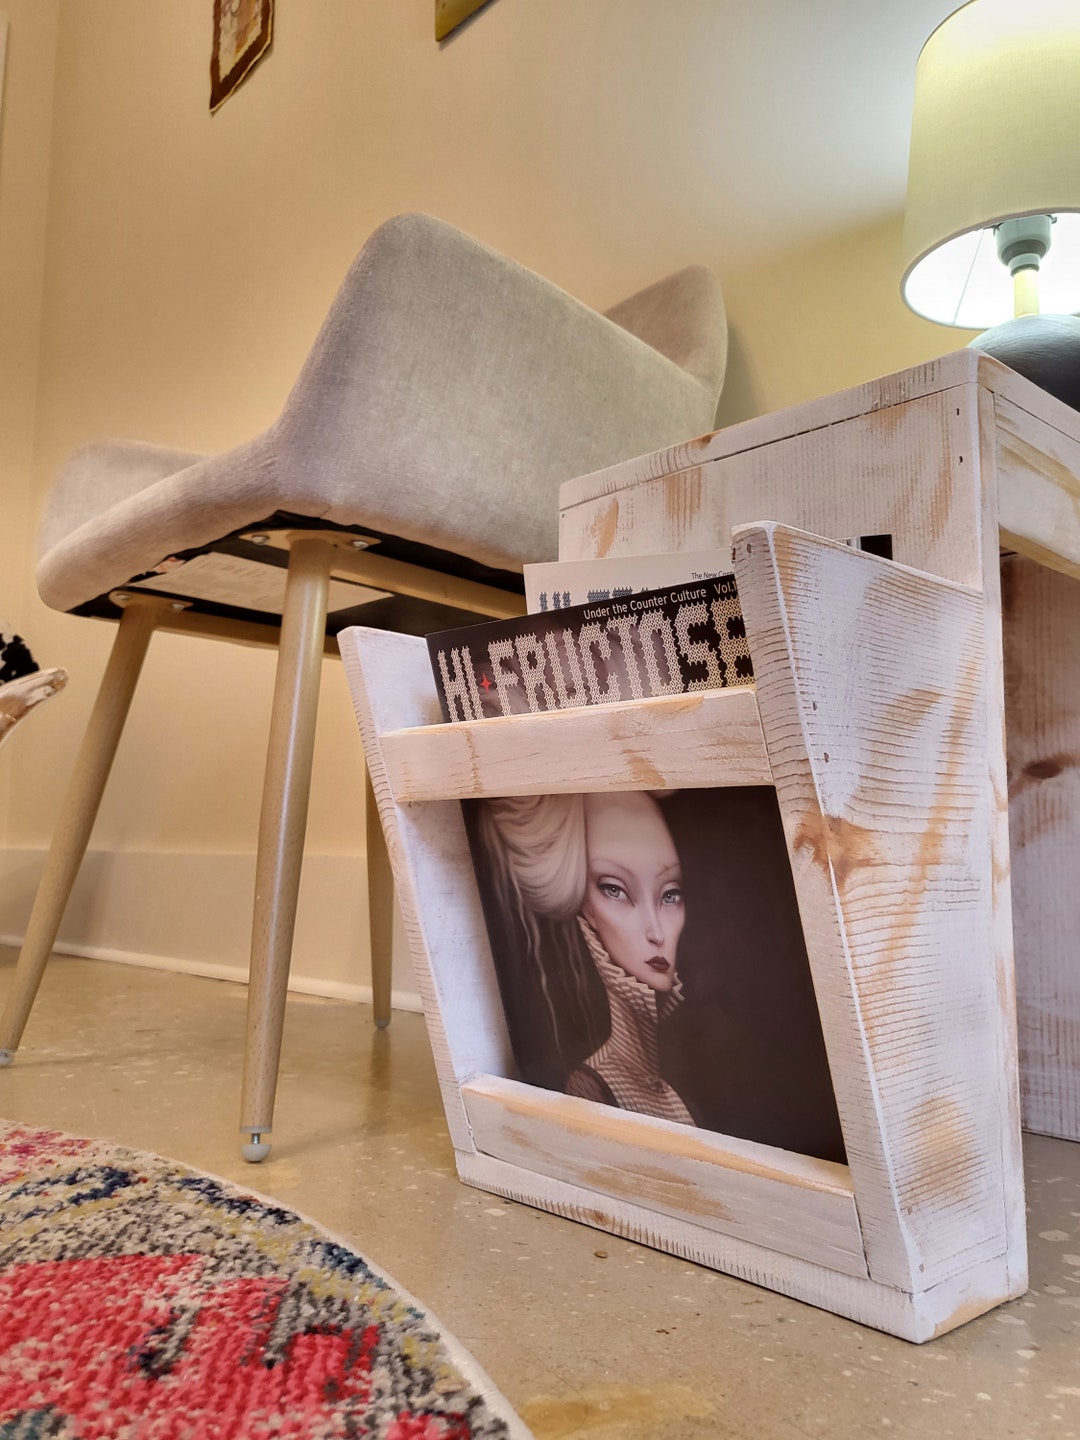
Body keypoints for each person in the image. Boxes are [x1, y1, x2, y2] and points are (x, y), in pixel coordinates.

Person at [475, 789, 695, 1126]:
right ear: (585, 906)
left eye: (670, 895)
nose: (656, 932)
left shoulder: (664, 1088)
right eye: (615, 889)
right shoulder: (591, 1086)